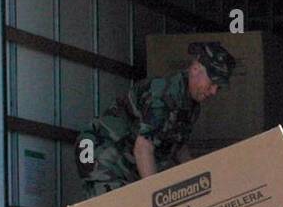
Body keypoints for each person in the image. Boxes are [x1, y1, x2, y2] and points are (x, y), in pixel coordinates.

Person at [75, 41, 236, 197]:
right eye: (212, 83)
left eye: (219, 86)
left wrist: (202, 179)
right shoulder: (163, 96)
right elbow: (143, 148)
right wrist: (155, 198)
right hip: (101, 152)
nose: (214, 91)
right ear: (195, 69)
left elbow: (178, 146)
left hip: (126, 161)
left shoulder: (191, 104)